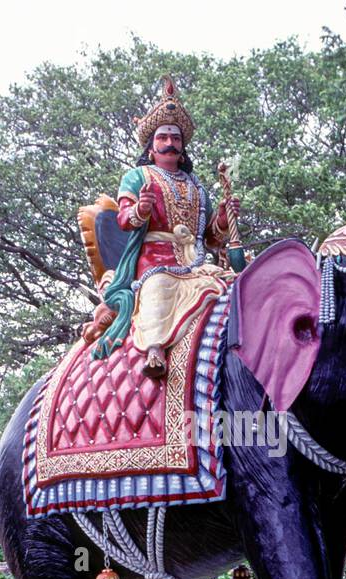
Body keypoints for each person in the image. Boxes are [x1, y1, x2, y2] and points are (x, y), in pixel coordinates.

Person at [81, 76, 240, 379]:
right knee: (158, 288)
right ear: (151, 147)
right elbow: (124, 220)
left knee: (234, 286)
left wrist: (221, 218)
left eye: (176, 139)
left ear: (183, 148)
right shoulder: (138, 177)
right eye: (163, 138)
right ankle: (155, 348)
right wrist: (141, 209)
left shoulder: (196, 187)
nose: (170, 143)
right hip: (155, 262)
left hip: (195, 263)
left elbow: (210, 237)